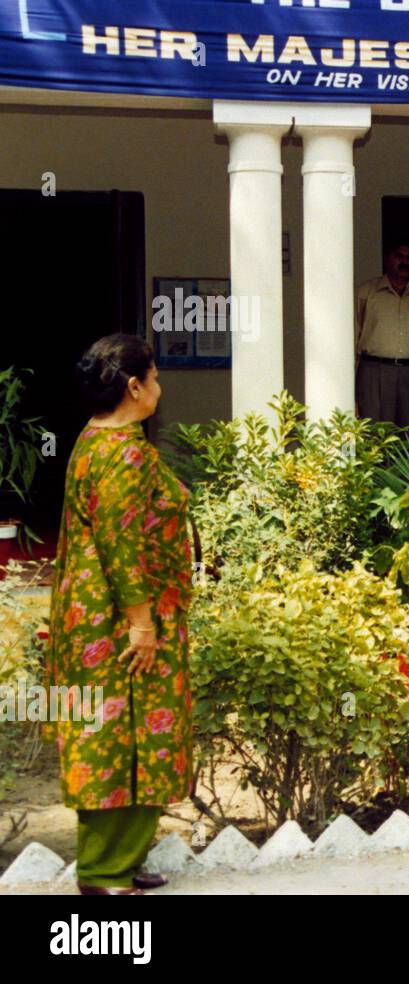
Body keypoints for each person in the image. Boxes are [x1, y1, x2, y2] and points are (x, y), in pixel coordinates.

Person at [48, 334, 193, 895]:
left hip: (94, 618)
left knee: (121, 736)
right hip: (118, 623)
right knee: (115, 739)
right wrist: (142, 623)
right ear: (134, 387)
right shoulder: (123, 452)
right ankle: (104, 872)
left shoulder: (93, 440)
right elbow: (120, 545)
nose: (160, 385)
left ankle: (120, 860)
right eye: (154, 376)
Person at [355, 240, 409, 428]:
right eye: (399, 256)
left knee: (408, 433)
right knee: (375, 432)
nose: (404, 262)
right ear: (387, 259)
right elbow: (352, 338)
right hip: (374, 371)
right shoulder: (367, 293)